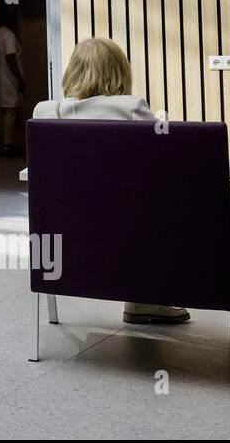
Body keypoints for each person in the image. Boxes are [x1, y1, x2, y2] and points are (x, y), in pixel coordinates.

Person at [33, 36, 189, 325]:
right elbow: (172, 157)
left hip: (66, 236)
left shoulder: (44, 113)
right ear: (119, 71)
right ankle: (144, 300)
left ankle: (141, 302)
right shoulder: (129, 109)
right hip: (126, 232)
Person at [0, 8, 25, 156]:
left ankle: (3, 142)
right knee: (11, 111)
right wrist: (19, 78)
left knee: (2, 111)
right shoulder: (9, 35)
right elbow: (10, 57)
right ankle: (7, 145)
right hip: (9, 77)